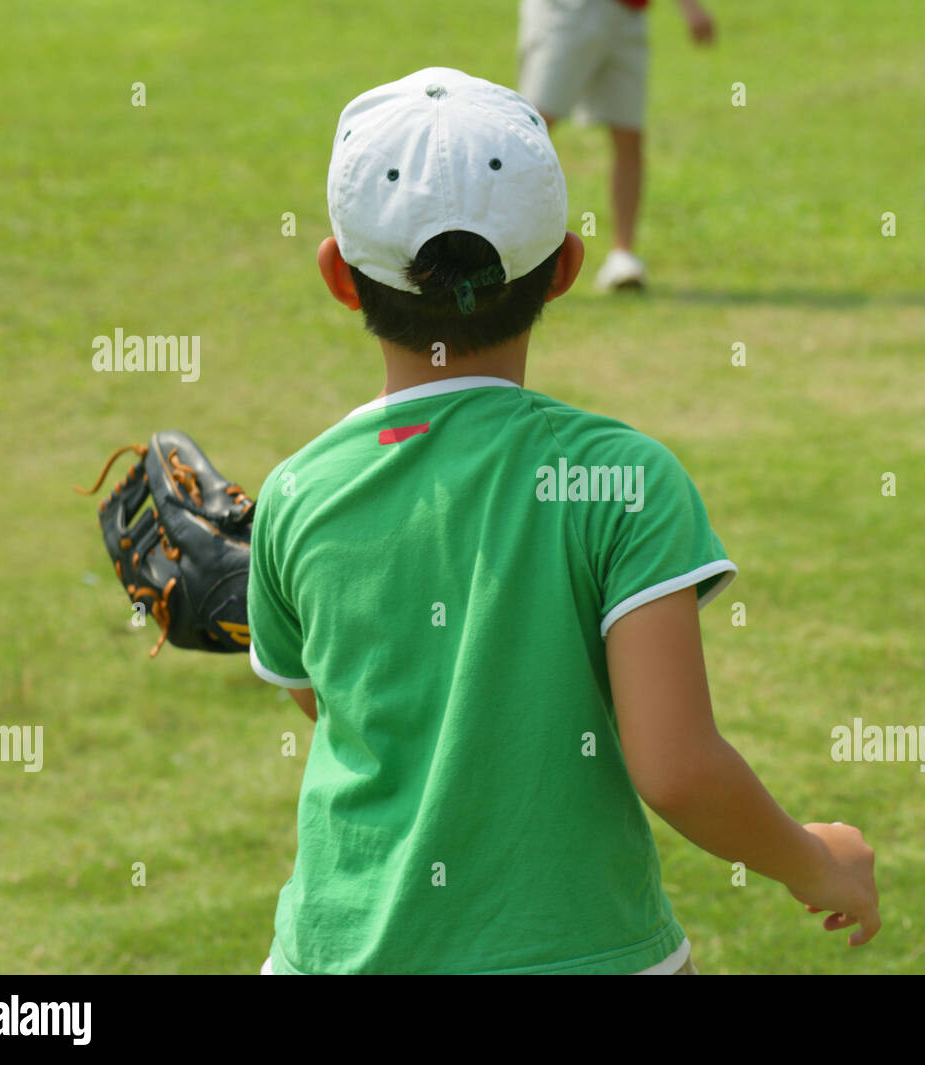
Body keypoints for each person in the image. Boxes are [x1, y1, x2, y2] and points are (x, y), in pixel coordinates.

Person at [248, 67, 880, 974]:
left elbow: (343, 709)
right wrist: (818, 863)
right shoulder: (622, 481)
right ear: (567, 270)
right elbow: (676, 768)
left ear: (340, 278)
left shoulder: (296, 493)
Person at [517, 0, 716, 290]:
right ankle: (494, 247)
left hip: (629, 12)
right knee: (530, 128)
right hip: (568, 10)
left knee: (629, 134)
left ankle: (622, 257)